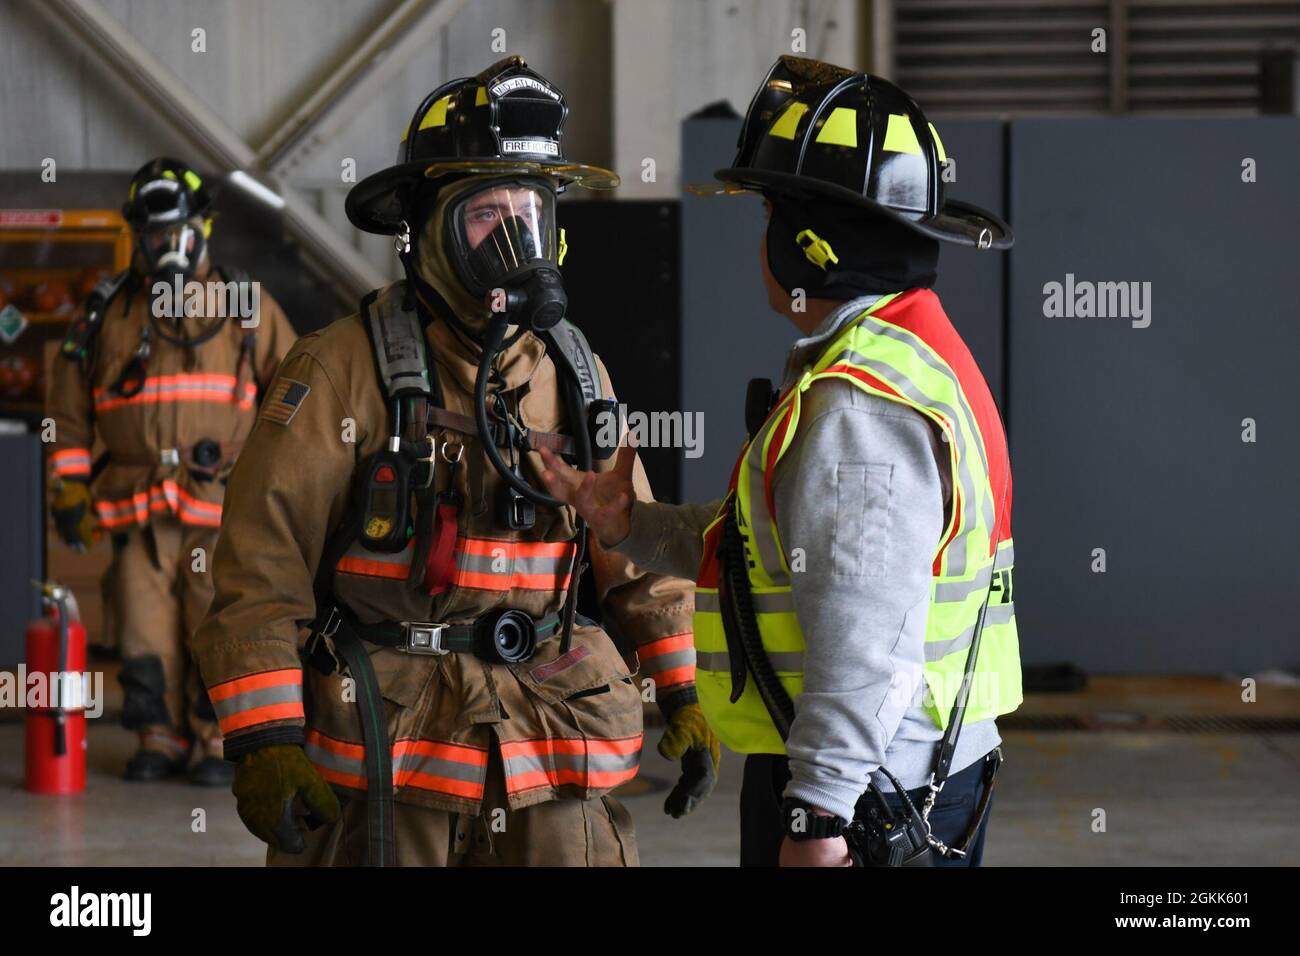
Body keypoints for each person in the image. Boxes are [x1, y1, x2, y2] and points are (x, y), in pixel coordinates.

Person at [191, 56, 717, 866]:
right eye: (486, 216)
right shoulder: (338, 371)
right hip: (391, 773)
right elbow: (263, 569)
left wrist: (679, 689)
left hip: (553, 761)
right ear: (428, 230)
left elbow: (631, 554)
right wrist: (267, 740)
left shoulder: (576, 376)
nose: (515, 242)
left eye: (529, 214)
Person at [541, 56, 1023, 867]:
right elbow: (766, 558)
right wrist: (631, 524)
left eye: (769, 212)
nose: (761, 239)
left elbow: (865, 633)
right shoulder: (904, 355)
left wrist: (819, 819)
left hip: (866, 796)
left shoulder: (857, 407)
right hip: (903, 775)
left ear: (812, 241)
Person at [46, 157, 296, 785]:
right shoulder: (105, 314)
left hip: (222, 507)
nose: (165, 248)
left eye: (175, 234)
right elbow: (67, 416)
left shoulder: (247, 307)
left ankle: (215, 743)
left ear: (200, 230)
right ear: (139, 236)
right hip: (134, 505)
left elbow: (296, 403)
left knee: (215, 625)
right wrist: (68, 486)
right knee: (141, 627)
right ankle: (156, 736)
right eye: (153, 237)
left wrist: (285, 491)